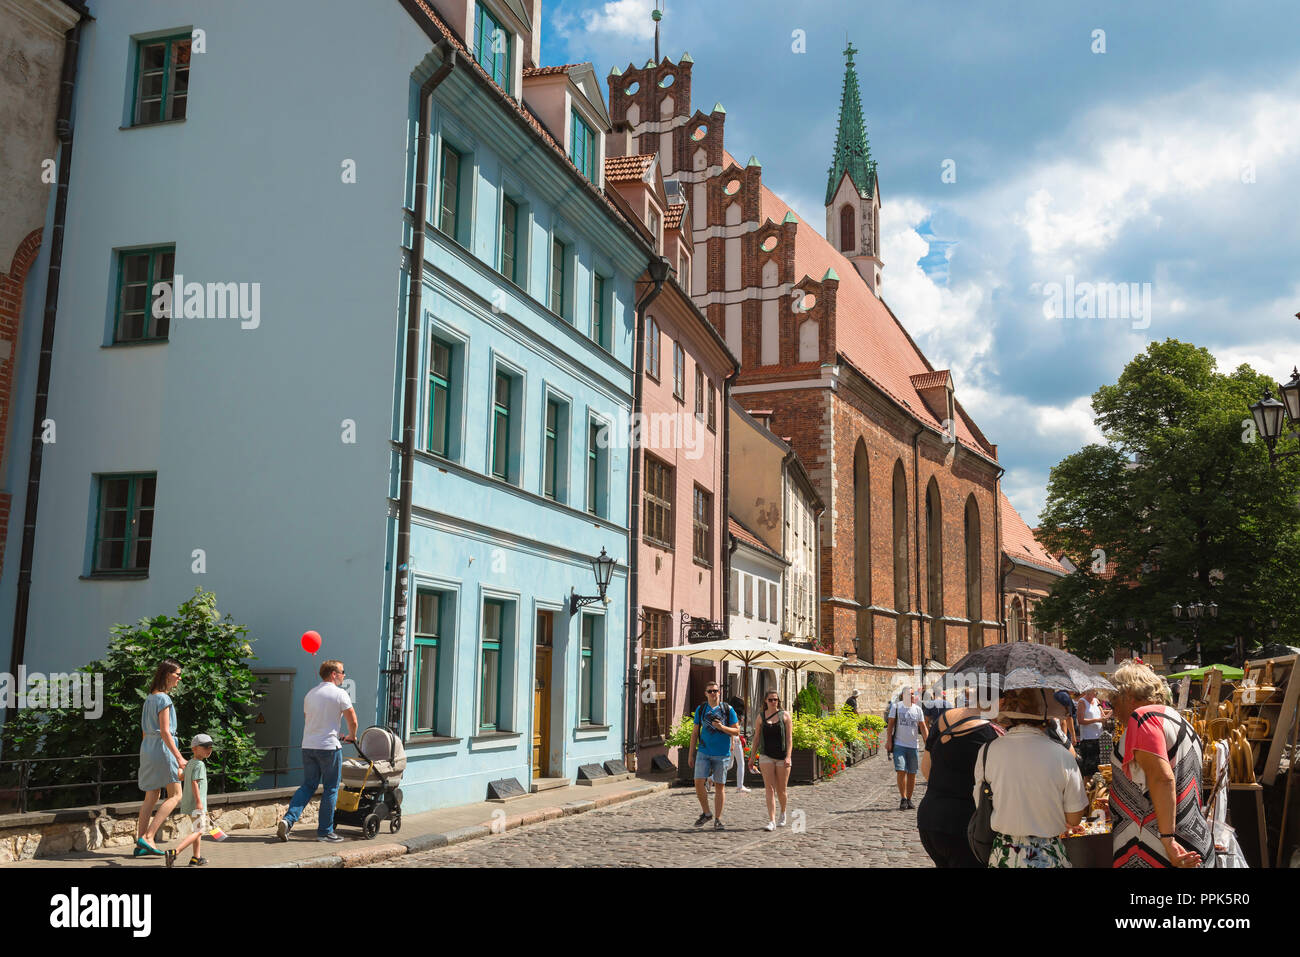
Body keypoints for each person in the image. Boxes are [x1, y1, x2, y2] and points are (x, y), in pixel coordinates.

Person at [1109, 660, 1213, 868]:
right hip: (1189, 838)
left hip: (1152, 846)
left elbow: (1162, 778)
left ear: (1128, 696)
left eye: (1114, 702)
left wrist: (1167, 838)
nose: (1113, 711)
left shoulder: (1143, 718)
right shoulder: (1178, 719)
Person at [975, 688, 1088, 867]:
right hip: (1047, 853)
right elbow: (1074, 818)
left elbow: (981, 803)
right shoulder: (1062, 755)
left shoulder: (987, 752)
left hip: (1005, 854)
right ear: (1044, 715)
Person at [277, 660, 358, 843]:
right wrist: (352, 735)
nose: (344, 675)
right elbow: (352, 719)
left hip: (308, 746)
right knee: (330, 789)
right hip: (329, 747)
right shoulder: (340, 694)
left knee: (308, 785)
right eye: (342, 672)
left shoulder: (310, 694)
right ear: (333, 674)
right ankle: (325, 832)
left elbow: (310, 719)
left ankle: (288, 820)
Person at [917, 703, 1003, 867]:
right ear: (1001, 702)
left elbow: (926, 769)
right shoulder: (994, 734)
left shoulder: (945, 718)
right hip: (965, 826)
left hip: (930, 818)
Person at [136, 660, 186, 857]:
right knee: (176, 795)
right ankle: (148, 837)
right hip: (162, 748)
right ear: (167, 675)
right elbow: (165, 732)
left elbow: (144, 732)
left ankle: (140, 844)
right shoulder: (164, 699)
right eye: (177, 674)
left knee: (152, 795)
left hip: (147, 747)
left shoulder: (149, 698)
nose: (179, 678)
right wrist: (180, 757)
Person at [689, 681, 739, 829]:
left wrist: (722, 727)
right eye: (710, 691)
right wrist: (691, 754)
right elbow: (695, 732)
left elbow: (737, 731)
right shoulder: (701, 709)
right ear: (706, 693)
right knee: (698, 782)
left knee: (719, 786)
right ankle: (707, 813)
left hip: (721, 754)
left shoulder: (727, 709)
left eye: (715, 691)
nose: (713, 693)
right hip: (703, 751)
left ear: (719, 693)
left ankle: (718, 819)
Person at [166, 734, 214, 867]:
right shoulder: (199, 765)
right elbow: (194, 783)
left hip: (189, 803)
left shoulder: (190, 763)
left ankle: (196, 858)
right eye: (204, 747)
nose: (208, 749)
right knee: (199, 831)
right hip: (197, 804)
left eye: (210, 747)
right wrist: (199, 802)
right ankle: (175, 852)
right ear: (194, 748)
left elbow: (180, 777)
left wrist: (179, 766)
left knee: (196, 830)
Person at [751, 690, 793, 830]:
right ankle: (772, 820)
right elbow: (756, 738)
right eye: (770, 700)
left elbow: (789, 738)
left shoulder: (785, 716)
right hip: (766, 755)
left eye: (775, 700)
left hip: (782, 757)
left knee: (782, 789)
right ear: (765, 701)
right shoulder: (761, 717)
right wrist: (752, 757)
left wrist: (788, 756)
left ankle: (783, 812)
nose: (773, 702)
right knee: (769, 788)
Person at [886, 687, 928, 810]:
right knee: (901, 770)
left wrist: (928, 742)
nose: (912, 696)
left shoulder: (918, 709)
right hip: (899, 745)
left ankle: (909, 799)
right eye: (909, 694)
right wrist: (888, 741)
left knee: (912, 773)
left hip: (913, 745)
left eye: (913, 694)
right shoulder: (896, 707)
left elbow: (923, 727)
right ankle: (903, 798)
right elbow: (890, 726)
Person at [1076, 688, 1107, 775]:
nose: (1095, 694)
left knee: (1098, 764)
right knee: (1089, 767)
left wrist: (1110, 713)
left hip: (1099, 736)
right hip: (1088, 738)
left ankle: (1094, 786)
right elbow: (1080, 720)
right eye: (1094, 692)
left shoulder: (1096, 700)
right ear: (1087, 691)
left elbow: (1102, 714)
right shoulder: (1082, 702)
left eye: (1096, 692)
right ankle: (1087, 785)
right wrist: (1097, 720)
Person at [728, 696, 751, 793]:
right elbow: (733, 729)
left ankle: (711, 778)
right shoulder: (735, 714)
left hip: (731, 739)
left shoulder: (729, 712)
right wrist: (733, 741)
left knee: (729, 764)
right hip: (734, 740)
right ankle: (740, 786)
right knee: (741, 763)